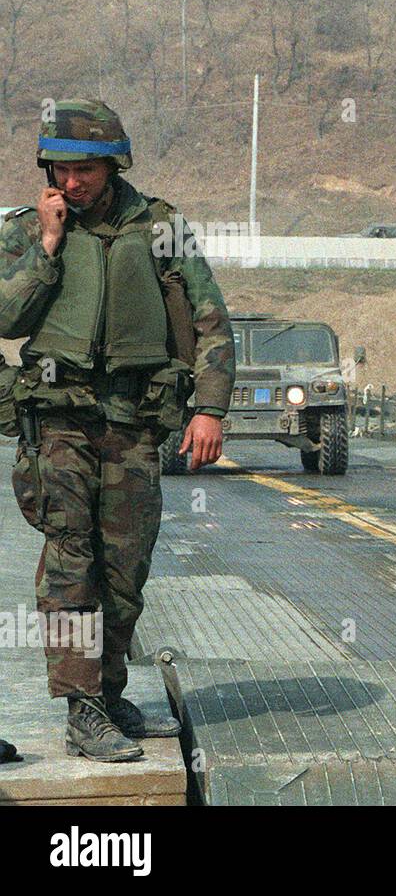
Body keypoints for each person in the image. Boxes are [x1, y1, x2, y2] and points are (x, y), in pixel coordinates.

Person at [0, 99, 235, 762]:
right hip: (57, 424)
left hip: (134, 422)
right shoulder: (24, 231)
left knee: (125, 568)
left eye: (87, 172)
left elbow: (211, 317)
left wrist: (210, 406)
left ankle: (107, 690)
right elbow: (6, 318)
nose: (72, 185)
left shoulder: (160, 229)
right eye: (62, 171)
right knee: (73, 562)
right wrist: (46, 247)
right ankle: (81, 711)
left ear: (113, 166)